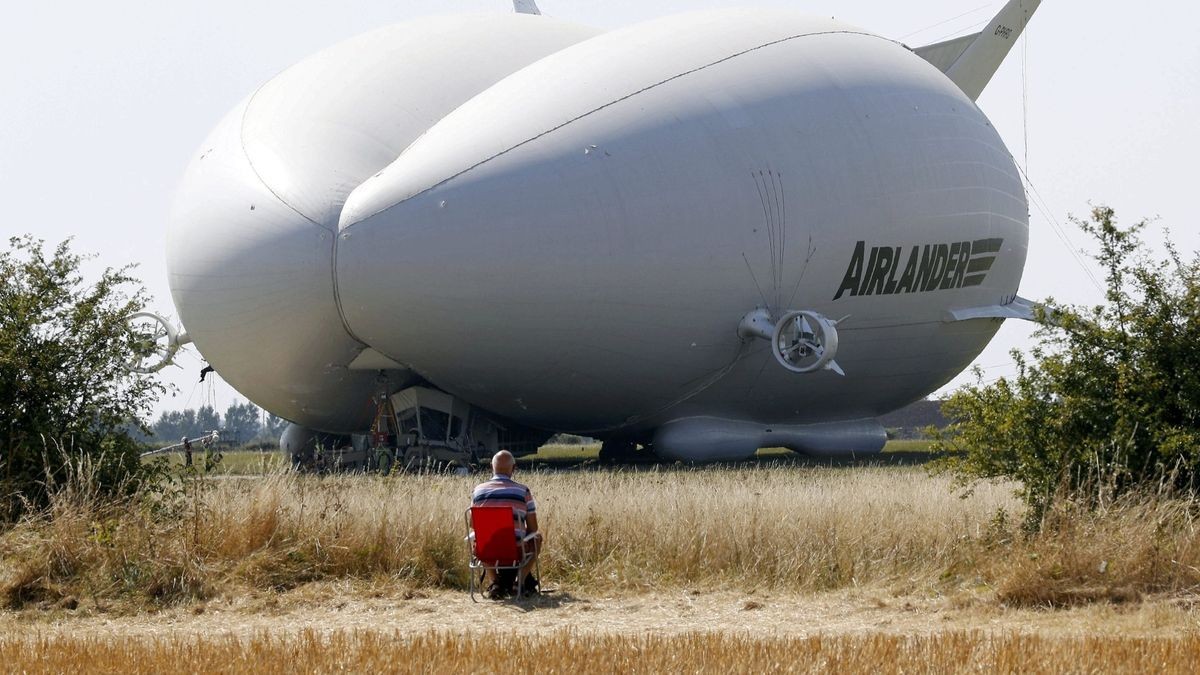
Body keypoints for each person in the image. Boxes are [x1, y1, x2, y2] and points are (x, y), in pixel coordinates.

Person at [470, 450, 542, 598]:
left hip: (487, 550)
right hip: (516, 550)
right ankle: (519, 581)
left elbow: (473, 524)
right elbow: (533, 528)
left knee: (480, 540)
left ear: (491, 467)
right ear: (513, 468)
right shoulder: (523, 491)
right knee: (537, 538)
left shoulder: (478, 491)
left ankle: (495, 582)